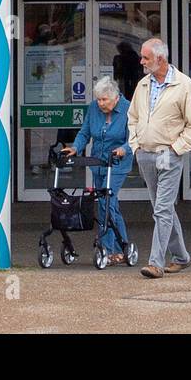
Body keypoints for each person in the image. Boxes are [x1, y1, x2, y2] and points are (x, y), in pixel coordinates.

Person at [127, 37, 191, 278]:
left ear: (160, 58)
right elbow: (133, 117)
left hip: (168, 155)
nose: (141, 61)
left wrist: (177, 148)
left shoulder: (183, 84)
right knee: (163, 208)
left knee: (161, 210)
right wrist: (135, 146)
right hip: (145, 154)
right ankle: (181, 257)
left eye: (146, 57)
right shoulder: (143, 85)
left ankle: (155, 263)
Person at [62, 76, 133, 263]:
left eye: (104, 100)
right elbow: (85, 132)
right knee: (109, 203)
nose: (100, 103)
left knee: (106, 203)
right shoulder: (94, 108)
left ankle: (108, 249)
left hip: (117, 164)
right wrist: (75, 148)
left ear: (115, 98)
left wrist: (123, 149)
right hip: (98, 163)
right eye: (98, 99)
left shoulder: (128, 109)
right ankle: (123, 247)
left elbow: (135, 138)